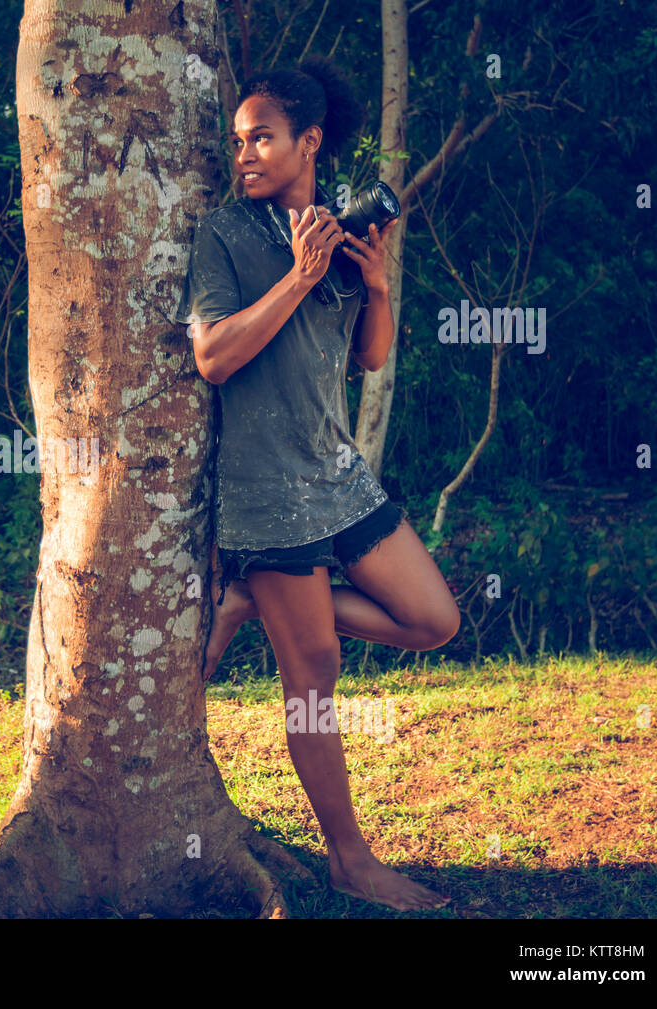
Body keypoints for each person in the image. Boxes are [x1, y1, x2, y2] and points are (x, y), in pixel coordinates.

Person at [174, 56, 461, 913]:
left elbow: (368, 358)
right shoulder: (226, 234)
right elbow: (213, 355)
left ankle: (258, 599)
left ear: (310, 142)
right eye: (237, 140)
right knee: (316, 673)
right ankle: (351, 861)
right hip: (268, 491)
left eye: (261, 137)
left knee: (434, 618)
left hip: (340, 476)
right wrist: (298, 276)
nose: (245, 154)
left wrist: (371, 284)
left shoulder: (335, 231)